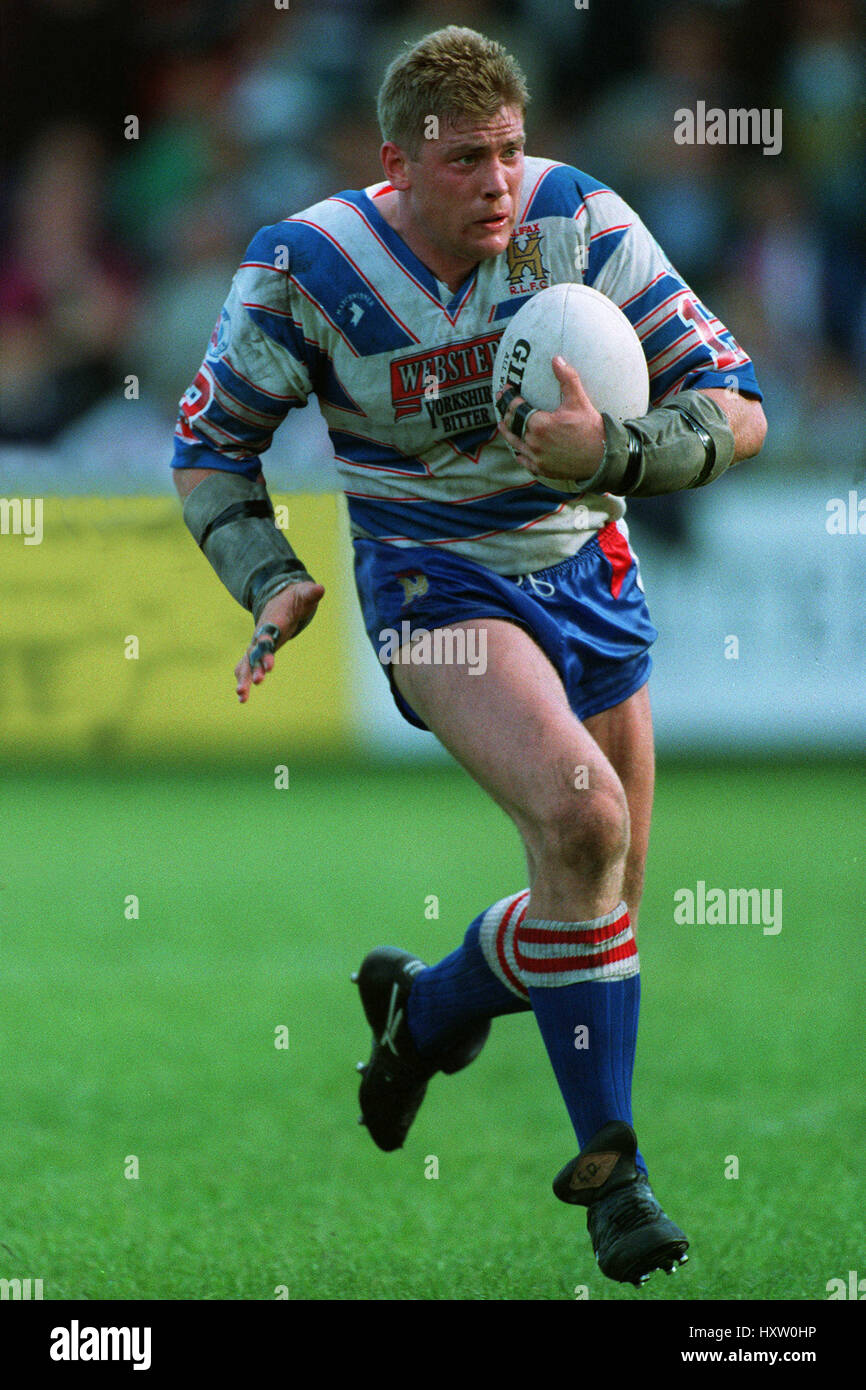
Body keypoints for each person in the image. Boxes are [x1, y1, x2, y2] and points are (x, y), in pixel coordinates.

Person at [171, 27, 766, 1288]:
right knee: (578, 816)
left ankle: (424, 1012)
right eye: (462, 161)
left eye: (508, 149)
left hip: (588, 568)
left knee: (591, 901)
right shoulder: (304, 266)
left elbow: (736, 397)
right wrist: (270, 579)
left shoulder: (582, 224)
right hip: (436, 583)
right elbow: (212, 450)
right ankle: (615, 1175)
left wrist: (612, 454)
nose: (498, 181)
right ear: (395, 163)